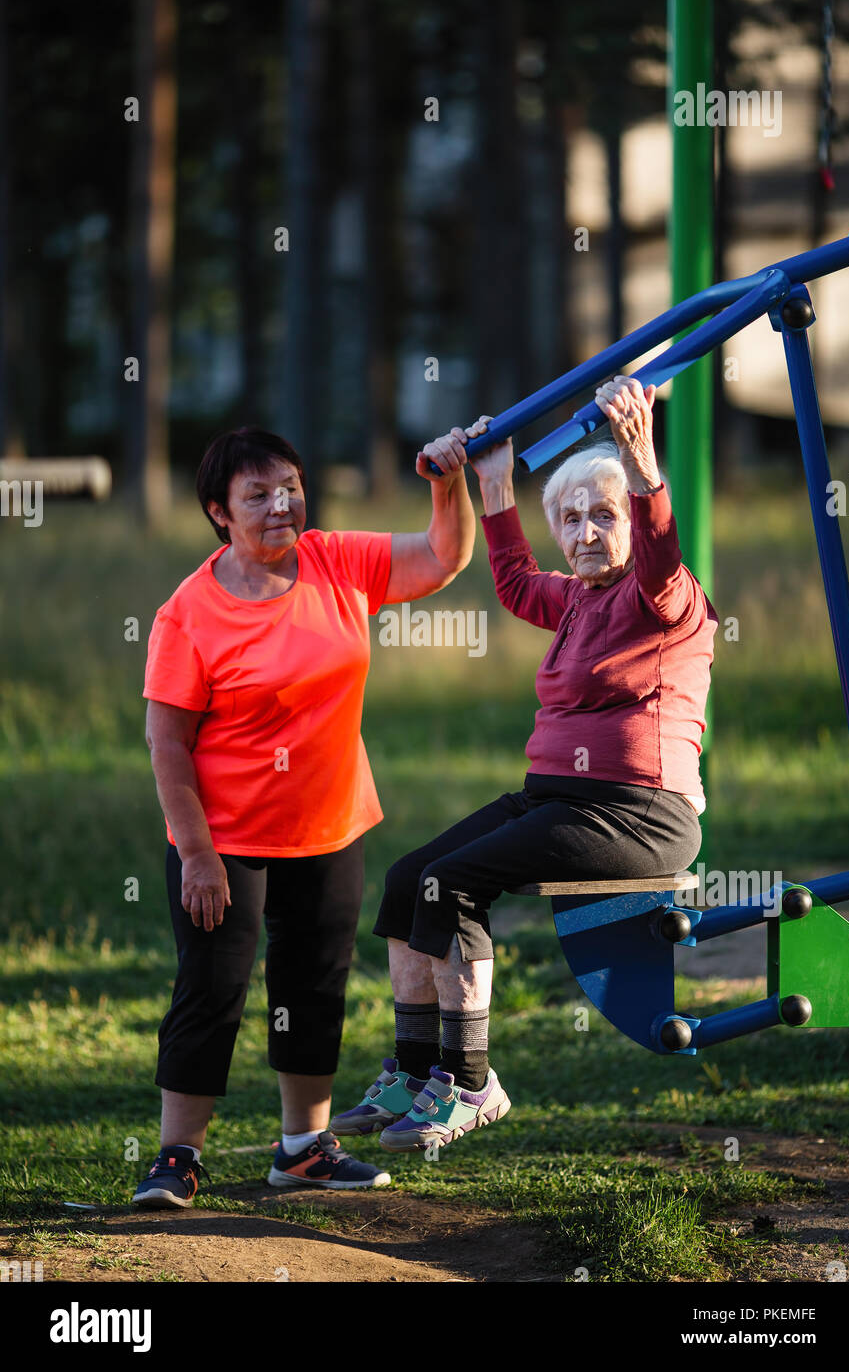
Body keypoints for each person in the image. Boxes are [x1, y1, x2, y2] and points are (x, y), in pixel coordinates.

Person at [332, 376, 719, 1152]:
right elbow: (511, 580)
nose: (584, 533)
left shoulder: (662, 596)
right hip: (554, 800)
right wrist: (496, 477)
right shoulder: (576, 599)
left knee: (454, 886)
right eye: (570, 519)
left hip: (635, 813)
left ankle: (471, 1084)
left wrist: (641, 458)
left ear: (630, 526)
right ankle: (413, 1073)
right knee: (411, 880)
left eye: (603, 517)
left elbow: (664, 549)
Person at [133, 418, 484, 1207]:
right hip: (224, 841)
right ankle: (175, 1158)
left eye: (289, 488)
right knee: (211, 988)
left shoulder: (336, 559)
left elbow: (442, 557)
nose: (281, 506)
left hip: (328, 826)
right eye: (257, 495)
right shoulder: (187, 614)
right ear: (220, 511)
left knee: (313, 986)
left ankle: (301, 1150)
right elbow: (167, 746)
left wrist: (448, 484)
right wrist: (195, 854)